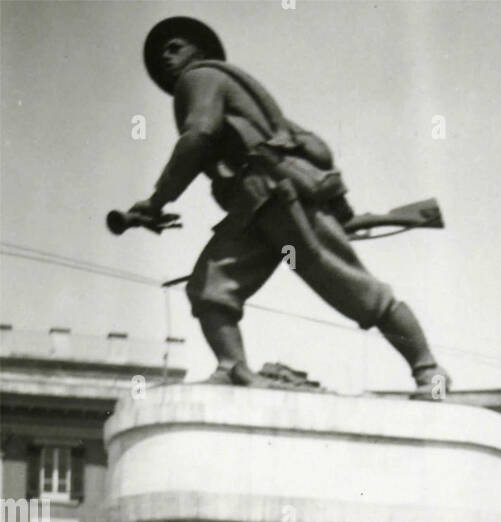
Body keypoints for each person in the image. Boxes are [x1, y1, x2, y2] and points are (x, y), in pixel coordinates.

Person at [129, 17, 450, 396]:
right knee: (210, 288)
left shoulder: (198, 79)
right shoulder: (234, 88)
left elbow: (199, 136)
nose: (166, 57)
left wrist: (156, 201)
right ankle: (234, 369)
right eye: (161, 53)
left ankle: (430, 373)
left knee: (356, 291)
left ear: (198, 52)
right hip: (258, 207)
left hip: (278, 201)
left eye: (174, 47)